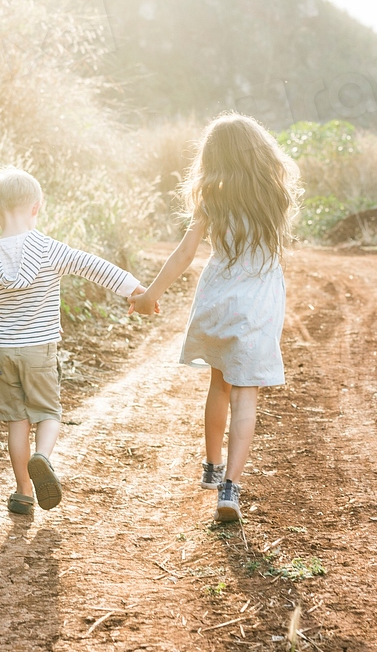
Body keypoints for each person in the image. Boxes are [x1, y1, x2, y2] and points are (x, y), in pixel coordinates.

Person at [128, 113, 299, 522]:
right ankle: (230, 490)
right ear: (260, 151)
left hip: (217, 301)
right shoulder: (275, 196)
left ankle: (211, 465)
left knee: (218, 385)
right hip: (256, 307)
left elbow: (185, 253)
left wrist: (151, 292)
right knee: (246, 396)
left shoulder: (211, 197)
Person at [0, 167, 149, 516]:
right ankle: (42, 456)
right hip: (38, 351)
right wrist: (135, 288)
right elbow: (94, 267)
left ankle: (23, 491)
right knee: (48, 412)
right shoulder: (49, 249)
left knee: (16, 422)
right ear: (36, 208)